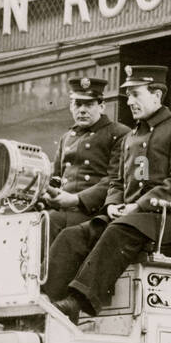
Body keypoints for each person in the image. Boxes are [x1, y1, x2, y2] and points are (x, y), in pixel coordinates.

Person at [42, 65, 171, 321]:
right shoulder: (132, 136)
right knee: (73, 236)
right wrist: (113, 204)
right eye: (128, 96)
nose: (130, 102)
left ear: (157, 95)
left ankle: (77, 301)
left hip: (164, 218)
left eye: (136, 94)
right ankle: (48, 302)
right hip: (129, 215)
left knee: (117, 230)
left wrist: (139, 205)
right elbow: (117, 180)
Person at [43, 76, 130, 239]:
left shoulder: (118, 134)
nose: (82, 110)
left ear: (102, 106)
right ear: (70, 106)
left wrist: (77, 199)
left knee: (47, 222)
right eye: (77, 104)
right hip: (63, 210)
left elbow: (114, 180)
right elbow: (56, 176)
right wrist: (50, 193)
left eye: (89, 104)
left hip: (93, 212)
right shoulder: (67, 137)